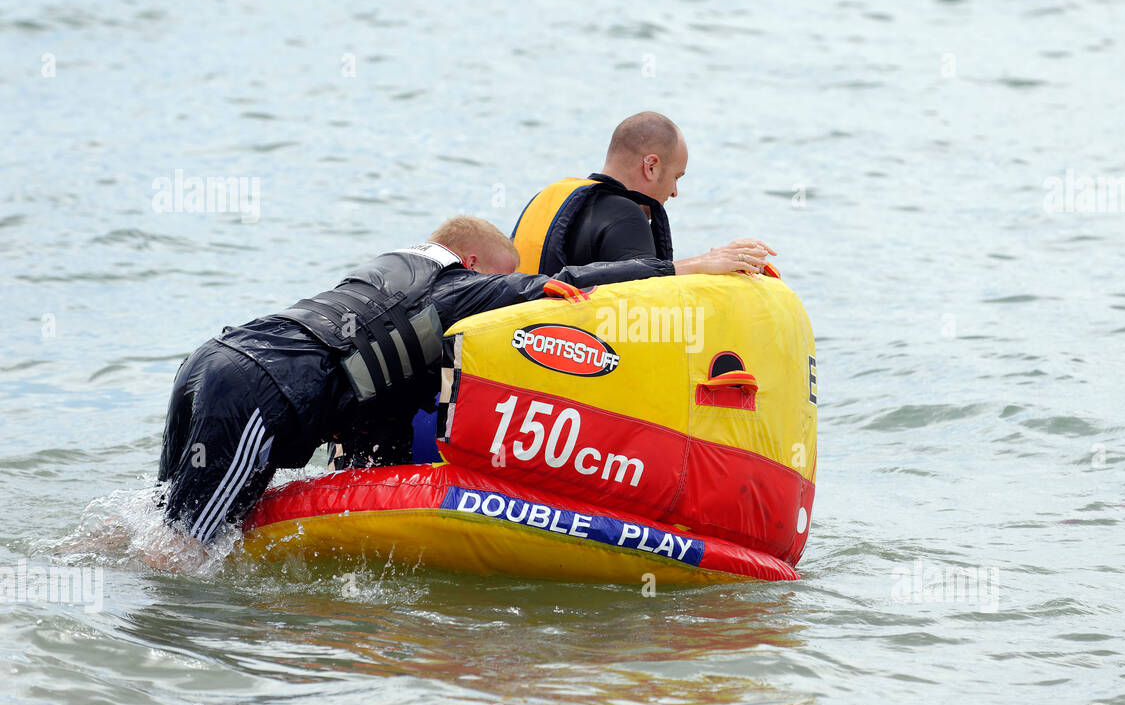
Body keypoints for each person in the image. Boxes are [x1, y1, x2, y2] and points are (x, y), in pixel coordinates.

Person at [157, 216, 772, 544]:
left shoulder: (385, 271)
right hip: (262, 391)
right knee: (186, 557)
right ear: (472, 265)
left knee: (165, 523)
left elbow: (374, 415)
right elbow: (576, 280)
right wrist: (688, 266)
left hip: (211, 360)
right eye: (499, 281)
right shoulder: (455, 287)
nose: (498, 306)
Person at [512, 111, 776, 274]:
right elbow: (647, 304)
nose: (674, 192)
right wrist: (710, 264)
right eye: (676, 177)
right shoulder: (625, 215)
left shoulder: (551, 201)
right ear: (650, 166)